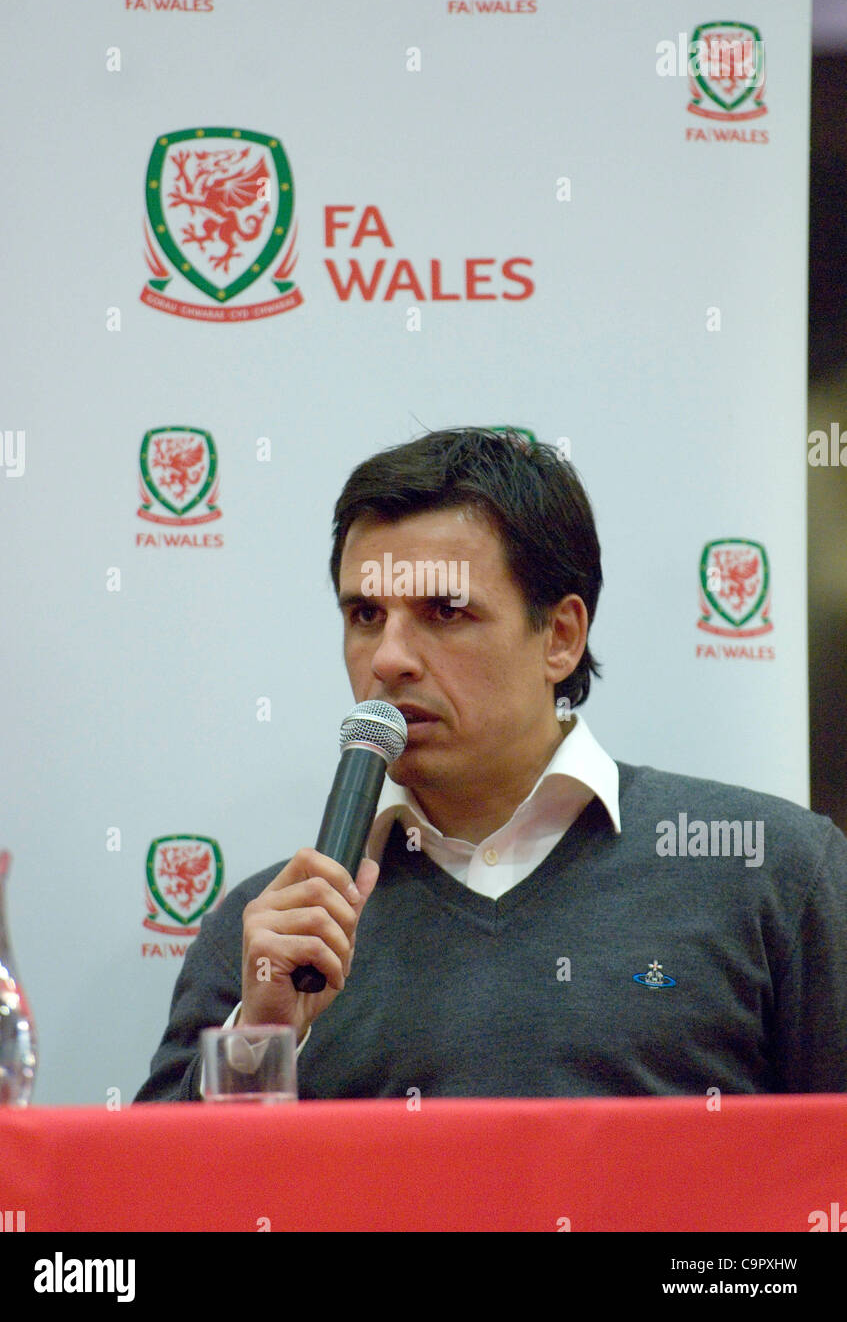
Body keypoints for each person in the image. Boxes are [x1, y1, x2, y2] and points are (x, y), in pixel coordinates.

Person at [135, 428, 847, 1101]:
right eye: (364, 615)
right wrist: (261, 1038)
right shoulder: (270, 930)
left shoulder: (767, 870)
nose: (387, 658)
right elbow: (165, 1201)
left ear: (559, 637)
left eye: (444, 612)